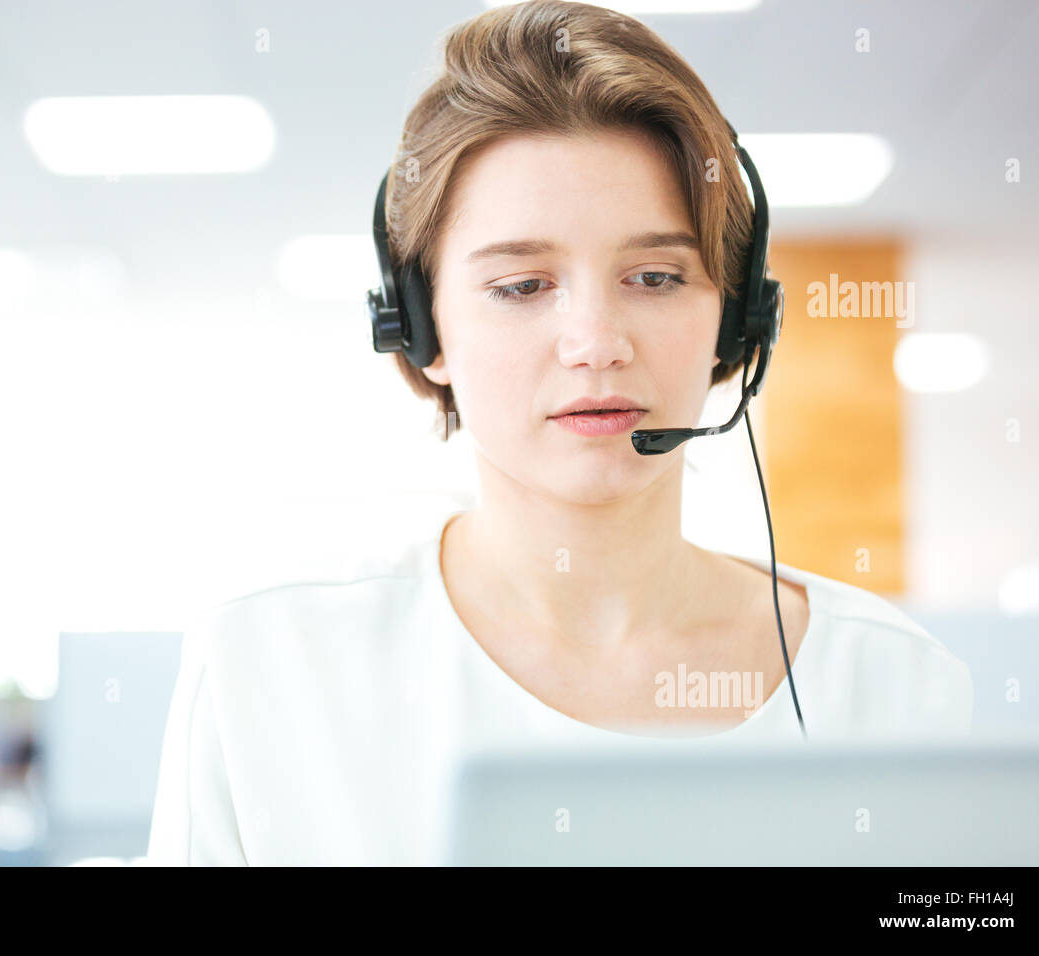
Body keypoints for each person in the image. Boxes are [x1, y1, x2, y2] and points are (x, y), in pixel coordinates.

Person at [147, 0, 972, 866]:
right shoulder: (267, 670)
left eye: (654, 276)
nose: (597, 344)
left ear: (736, 325)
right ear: (421, 331)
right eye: (521, 286)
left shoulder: (894, 689)